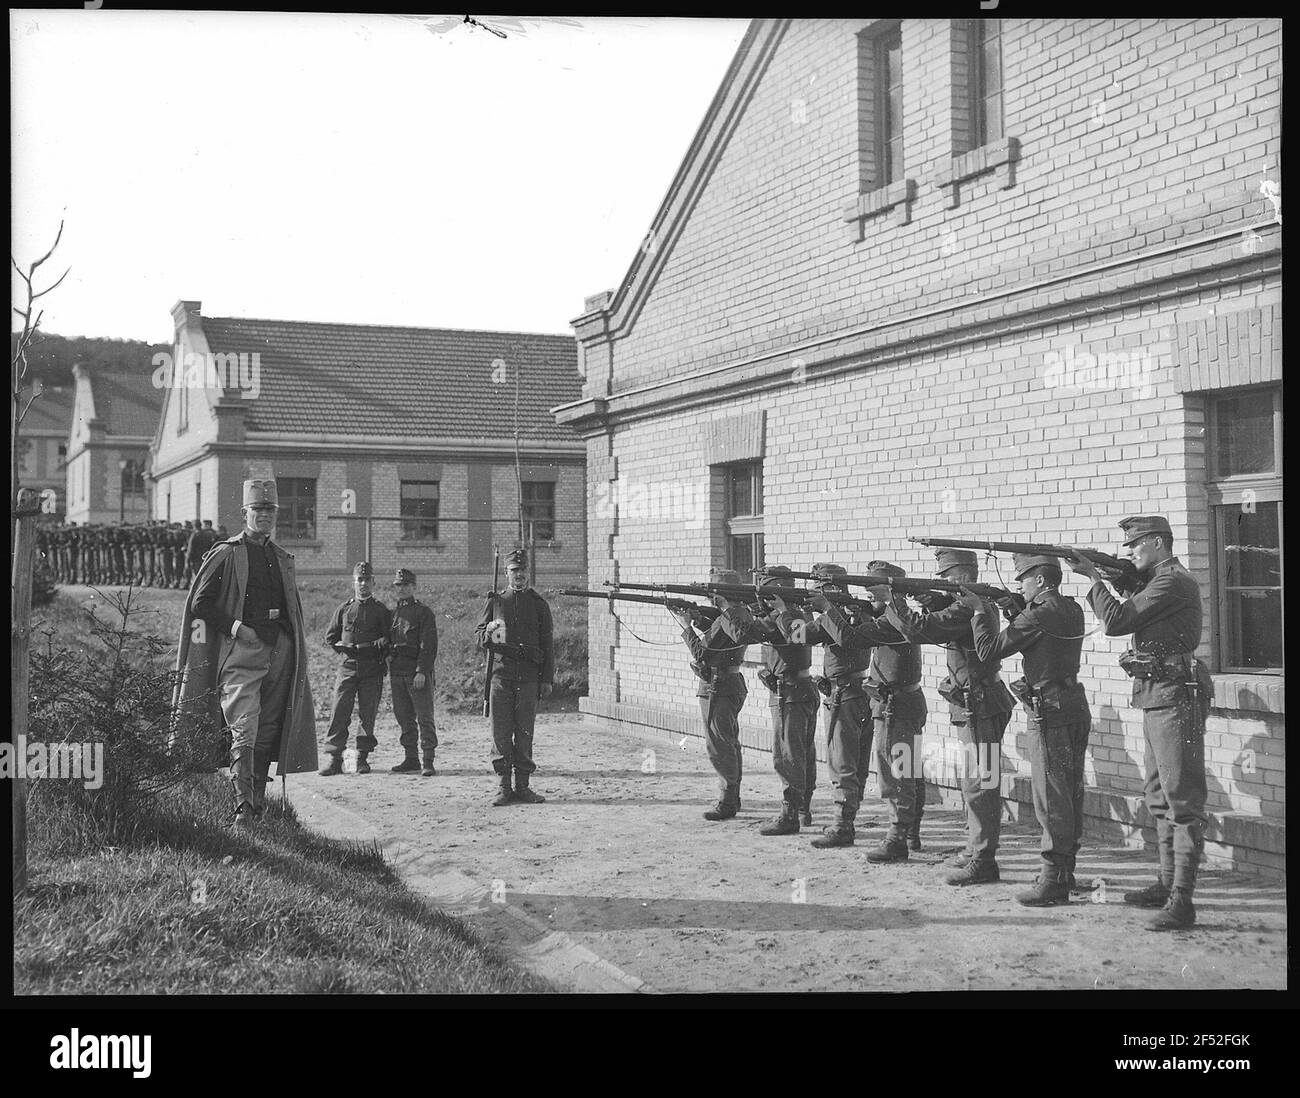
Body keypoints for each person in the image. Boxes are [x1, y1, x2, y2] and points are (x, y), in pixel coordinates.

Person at [1068, 516, 1210, 931]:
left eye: (1135, 546)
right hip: (1157, 695)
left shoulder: (1174, 581)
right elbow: (1138, 608)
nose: (1129, 552)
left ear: (1158, 543)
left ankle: (1182, 900)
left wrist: (1095, 578)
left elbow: (1116, 623)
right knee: (1159, 794)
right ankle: (1167, 884)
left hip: (1174, 696)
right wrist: (1120, 580)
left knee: (1181, 797)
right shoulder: (1158, 582)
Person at [173, 479, 317, 826]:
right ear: (244, 514)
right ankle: (242, 809)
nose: (264, 516)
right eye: (257, 510)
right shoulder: (227, 552)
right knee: (243, 724)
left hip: (279, 651)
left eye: (269, 510)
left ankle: (258, 803)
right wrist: (238, 629)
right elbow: (200, 603)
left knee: (268, 726)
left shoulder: (279, 556)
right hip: (242, 650)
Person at [885, 549, 1016, 884]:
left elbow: (920, 630)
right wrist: (931, 600)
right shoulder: (972, 604)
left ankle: (984, 859)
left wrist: (894, 601)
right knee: (975, 780)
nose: (943, 583)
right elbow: (949, 620)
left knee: (980, 783)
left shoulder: (971, 605)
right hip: (978, 702)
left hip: (979, 705)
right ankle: (977, 849)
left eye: (946, 578)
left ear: (962, 576)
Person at [970, 554, 1091, 905]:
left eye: (1022, 579)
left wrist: (980, 611)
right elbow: (1039, 637)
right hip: (1072, 706)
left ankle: (1052, 880)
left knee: (1051, 799)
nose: (1018, 586)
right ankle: (1065, 872)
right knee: (1070, 793)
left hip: (1048, 714)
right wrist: (1013, 610)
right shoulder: (1070, 609)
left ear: (1039, 581)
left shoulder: (1037, 614)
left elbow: (988, 650)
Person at [809, 561, 927, 862]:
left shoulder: (892, 621)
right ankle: (909, 834)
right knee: (907, 771)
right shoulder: (897, 617)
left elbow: (849, 638)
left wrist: (827, 610)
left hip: (895, 708)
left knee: (896, 775)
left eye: (873, 593)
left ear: (888, 592)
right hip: (900, 704)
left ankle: (898, 839)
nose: (868, 598)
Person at [775, 563, 874, 848]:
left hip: (846, 697)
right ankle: (847, 818)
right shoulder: (855, 612)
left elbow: (798, 635)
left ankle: (844, 825)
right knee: (855, 763)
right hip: (856, 694)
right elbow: (808, 633)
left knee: (842, 762)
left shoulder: (844, 614)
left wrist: (784, 611)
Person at [670, 567, 756, 822]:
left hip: (718, 686)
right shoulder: (737, 613)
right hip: (728, 683)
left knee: (719, 746)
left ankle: (727, 801)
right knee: (728, 742)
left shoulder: (730, 615)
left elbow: (702, 653)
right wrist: (698, 619)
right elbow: (720, 634)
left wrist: (687, 626)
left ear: (721, 595)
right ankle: (731, 796)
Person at [476, 548, 553, 805]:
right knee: (500, 733)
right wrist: (487, 630)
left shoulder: (539, 605)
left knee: (524, 732)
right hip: (501, 676)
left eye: (522, 570)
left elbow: (547, 645)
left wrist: (546, 679)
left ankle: (523, 786)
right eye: (513, 570)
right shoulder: (496, 602)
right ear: (507, 573)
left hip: (528, 677)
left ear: (528, 572)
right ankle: (503, 787)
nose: (518, 575)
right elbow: (479, 638)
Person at [749, 566, 819, 834]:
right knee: (803, 753)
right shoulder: (796, 616)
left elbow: (749, 632)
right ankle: (803, 810)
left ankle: (791, 815)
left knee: (787, 756)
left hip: (788, 694)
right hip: (798, 691)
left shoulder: (788, 619)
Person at [319, 561, 392, 777]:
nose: (363, 584)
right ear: (354, 582)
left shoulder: (381, 611)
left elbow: (390, 637)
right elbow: (331, 637)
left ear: (373, 583)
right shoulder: (344, 609)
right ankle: (335, 759)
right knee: (339, 711)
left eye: (367, 580)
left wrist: (383, 642)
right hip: (348, 667)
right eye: (359, 580)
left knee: (367, 713)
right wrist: (343, 652)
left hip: (371, 668)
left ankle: (361, 757)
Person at [387, 567, 439, 776]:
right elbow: (391, 641)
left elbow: (429, 645)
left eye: (406, 585)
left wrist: (422, 671)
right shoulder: (393, 613)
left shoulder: (423, 612)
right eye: (398, 585)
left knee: (424, 716)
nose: (402, 588)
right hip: (397, 672)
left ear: (414, 587)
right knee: (403, 716)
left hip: (416, 673)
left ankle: (428, 760)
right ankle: (411, 758)